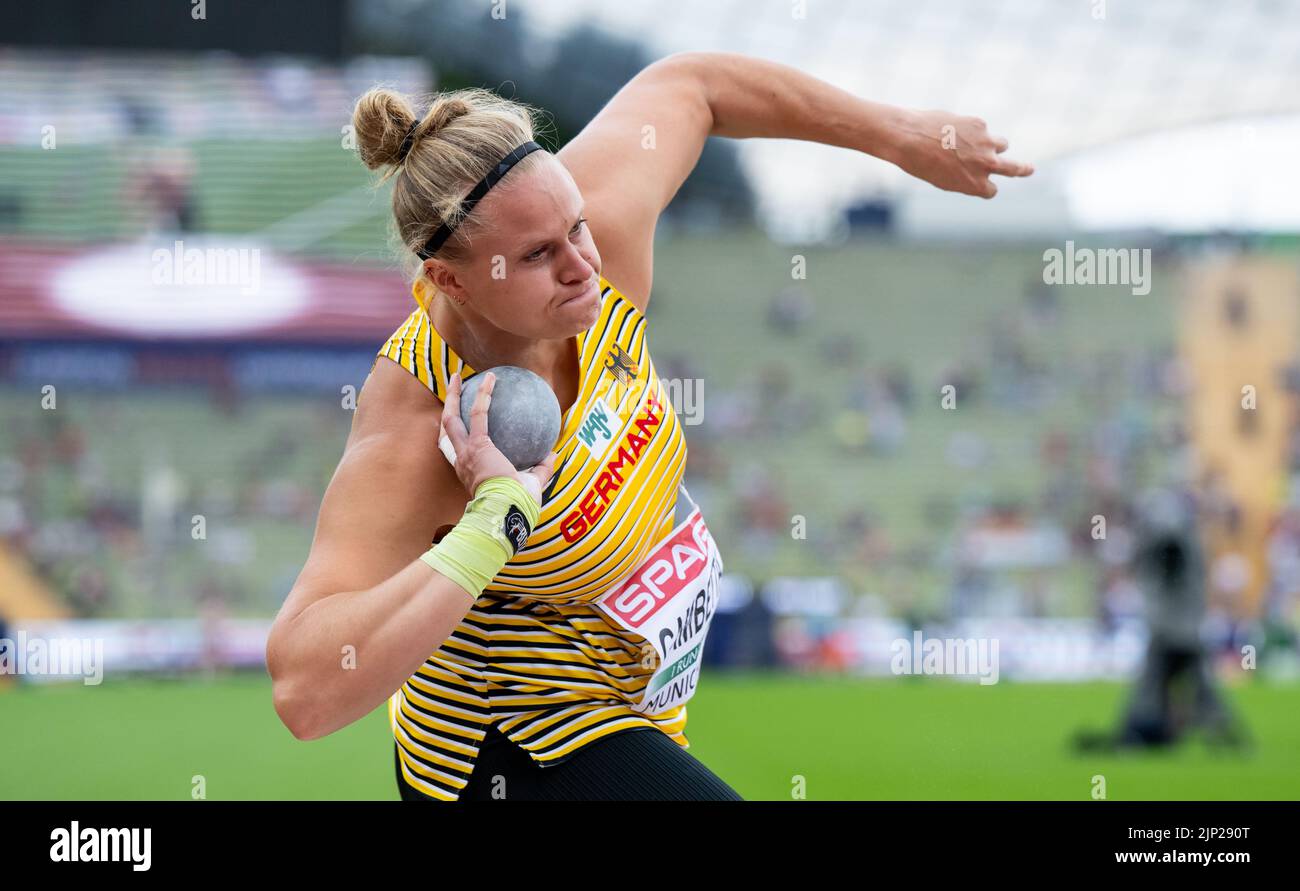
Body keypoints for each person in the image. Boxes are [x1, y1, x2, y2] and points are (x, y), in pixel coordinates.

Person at [266, 52, 1033, 801]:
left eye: (576, 227)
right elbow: (304, 690)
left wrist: (895, 134)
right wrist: (489, 526)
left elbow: (693, 85)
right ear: (449, 279)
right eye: (538, 254)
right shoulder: (417, 423)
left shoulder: (595, 243)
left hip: (631, 699)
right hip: (514, 737)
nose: (583, 266)